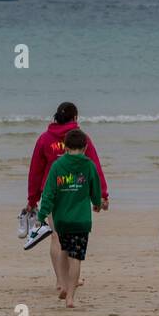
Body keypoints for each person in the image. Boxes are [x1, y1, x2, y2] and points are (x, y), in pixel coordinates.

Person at [27, 102, 107, 293]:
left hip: (53, 195)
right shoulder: (83, 139)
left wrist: (32, 199)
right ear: (75, 118)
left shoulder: (45, 139)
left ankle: (61, 281)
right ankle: (71, 280)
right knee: (75, 239)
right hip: (77, 195)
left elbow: (35, 171)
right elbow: (95, 166)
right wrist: (102, 194)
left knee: (56, 238)